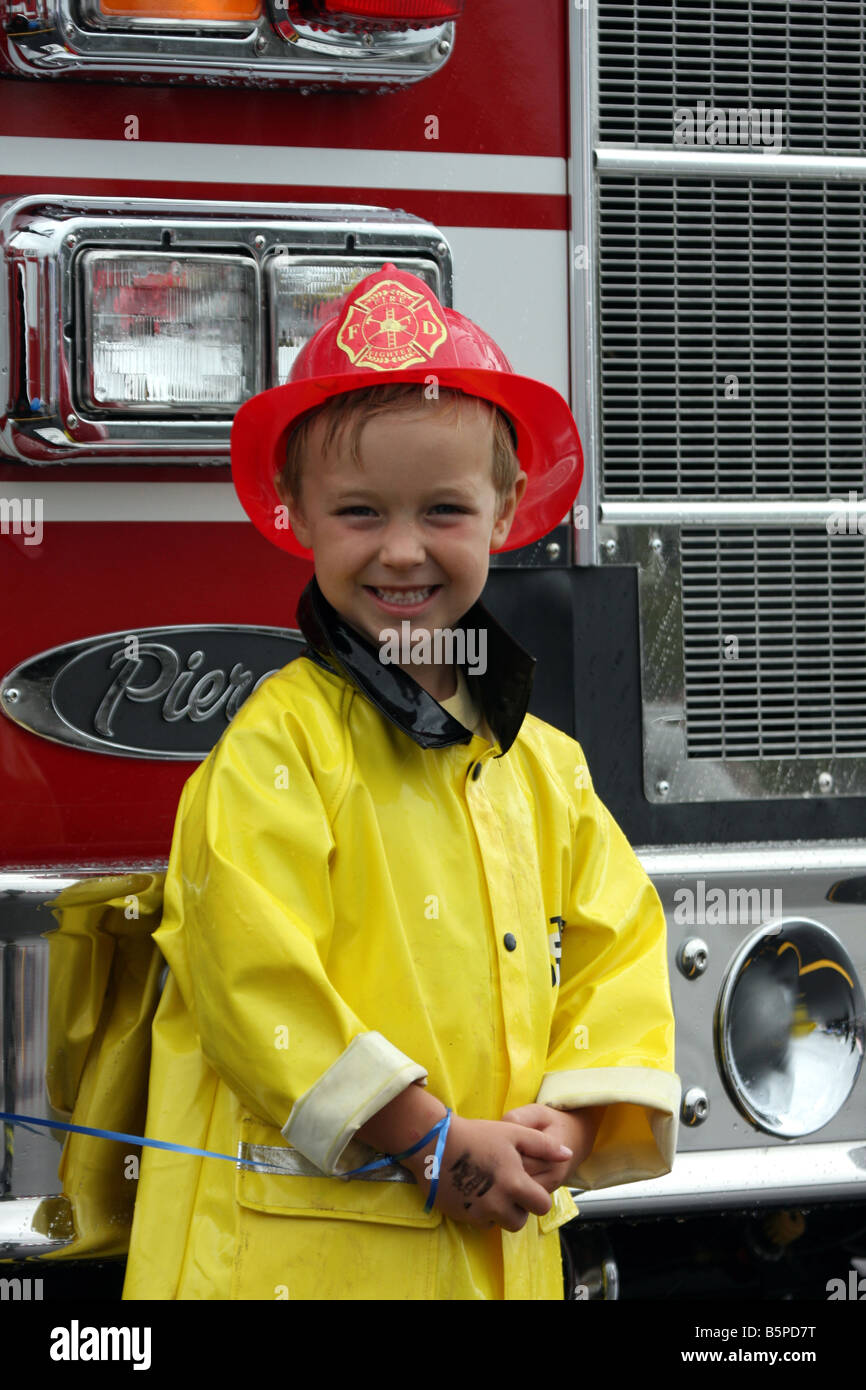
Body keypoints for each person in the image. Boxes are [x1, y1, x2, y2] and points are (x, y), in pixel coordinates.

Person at [122, 264, 680, 1301]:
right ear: (294, 509)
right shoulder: (275, 748)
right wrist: (428, 1141)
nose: (402, 550)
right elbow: (251, 979)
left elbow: (621, 947)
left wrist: (567, 1116)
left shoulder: (542, 765)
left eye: (442, 510)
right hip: (294, 1266)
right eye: (360, 512)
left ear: (507, 507)